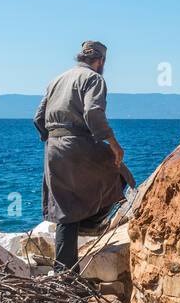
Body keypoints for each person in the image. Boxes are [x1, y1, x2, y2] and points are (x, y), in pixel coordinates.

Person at [33, 41, 129, 272]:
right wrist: (113, 143)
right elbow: (93, 112)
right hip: (78, 142)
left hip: (53, 147)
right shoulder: (94, 79)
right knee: (120, 174)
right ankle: (91, 223)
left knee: (66, 209)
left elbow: (38, 117)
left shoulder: (56, 80)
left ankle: (64, 273)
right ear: (101, 60)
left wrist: (52, 138)